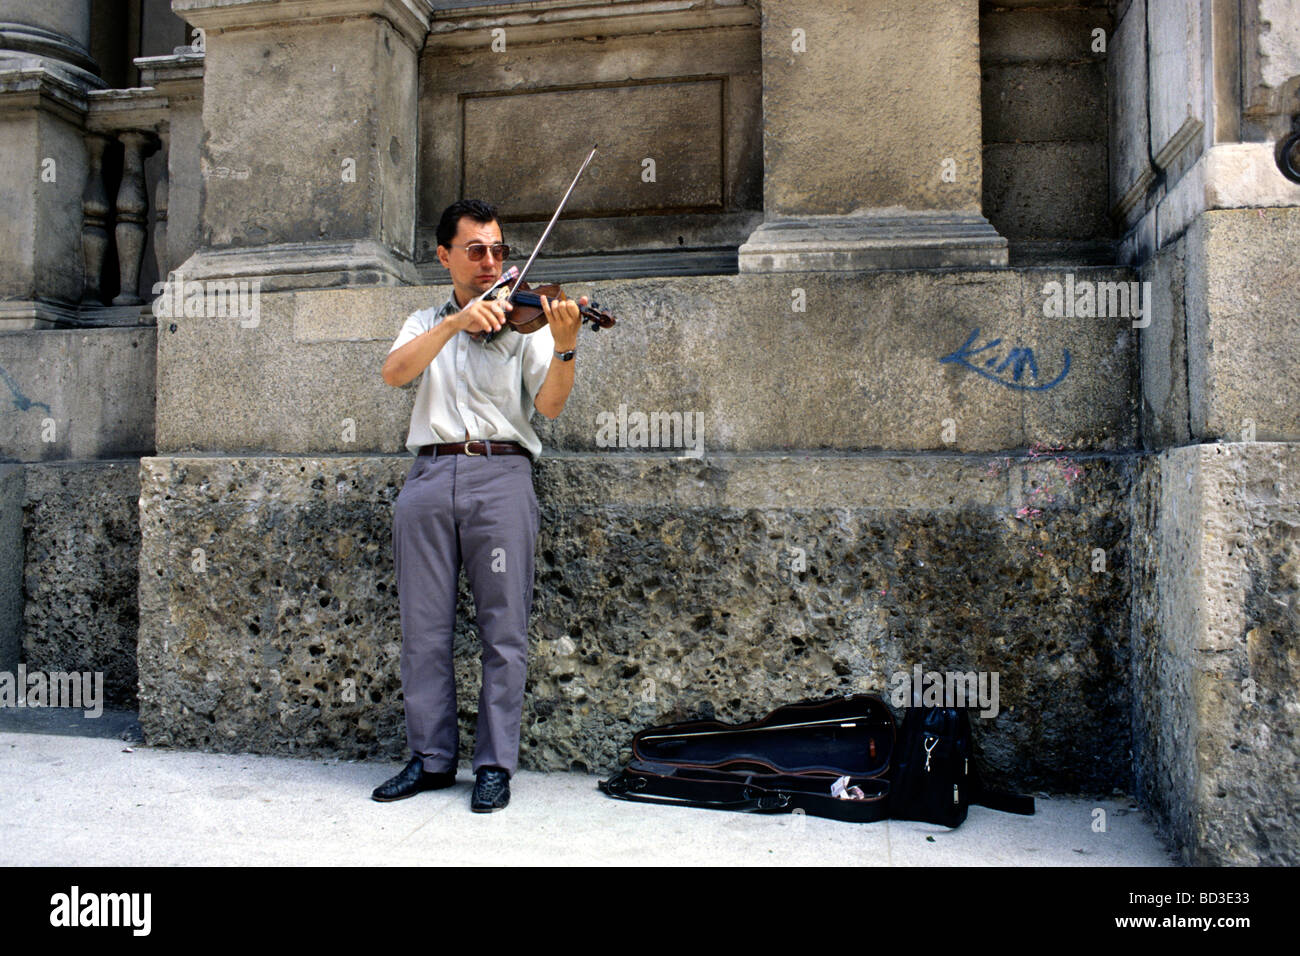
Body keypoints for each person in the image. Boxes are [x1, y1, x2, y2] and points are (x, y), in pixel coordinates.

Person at [372, 198, 584, 811]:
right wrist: (454, 324)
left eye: (498, 250)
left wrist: (566, 346)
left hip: (502, 475)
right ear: (445, 256)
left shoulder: (525, 323)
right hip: (431, 477)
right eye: (476, 250)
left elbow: (548, 407)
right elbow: (394, 374)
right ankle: (431, 759)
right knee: (424, 629)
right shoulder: (421, 320)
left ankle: (494, 765)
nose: (491, 262)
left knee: (503, 629)